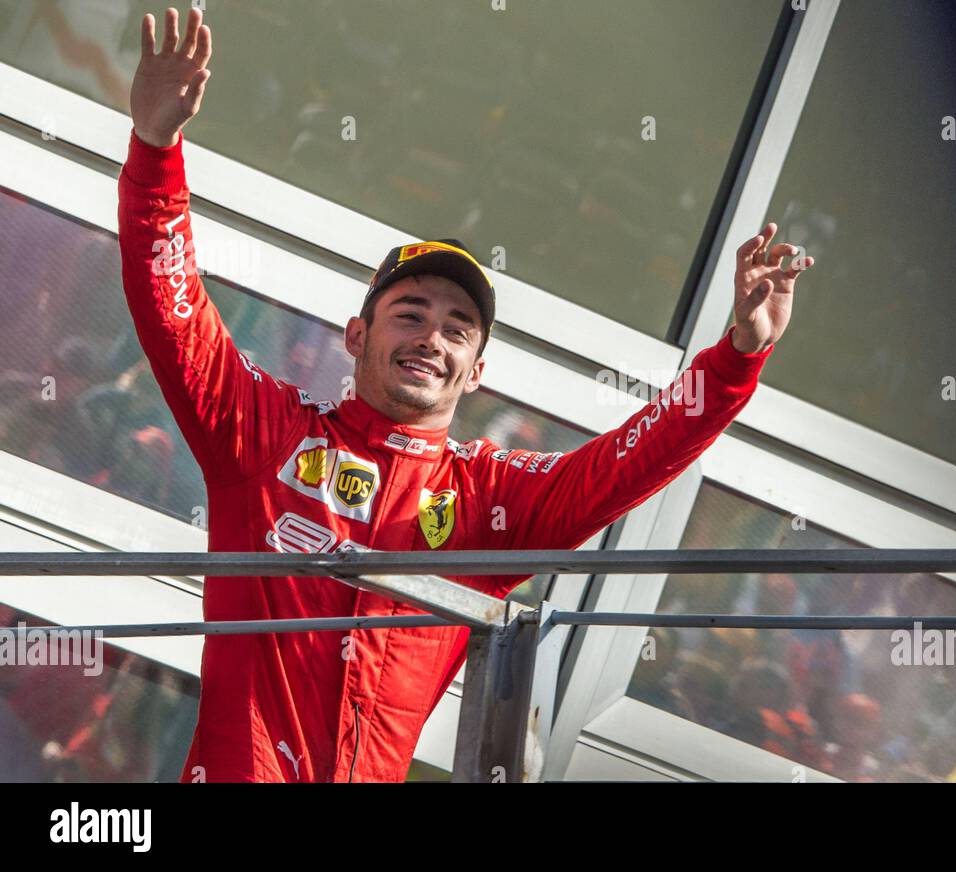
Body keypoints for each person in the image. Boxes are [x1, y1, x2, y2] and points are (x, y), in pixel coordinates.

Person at [119, 7, 815, 782]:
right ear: (356, 337)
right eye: (410, 314)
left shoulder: (491, 501)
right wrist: (155, 148)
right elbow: (171, 302)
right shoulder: (267, 434)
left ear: (476, 373)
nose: (431, 338)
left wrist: (737, 355)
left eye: (457, 330)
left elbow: (634, 456)